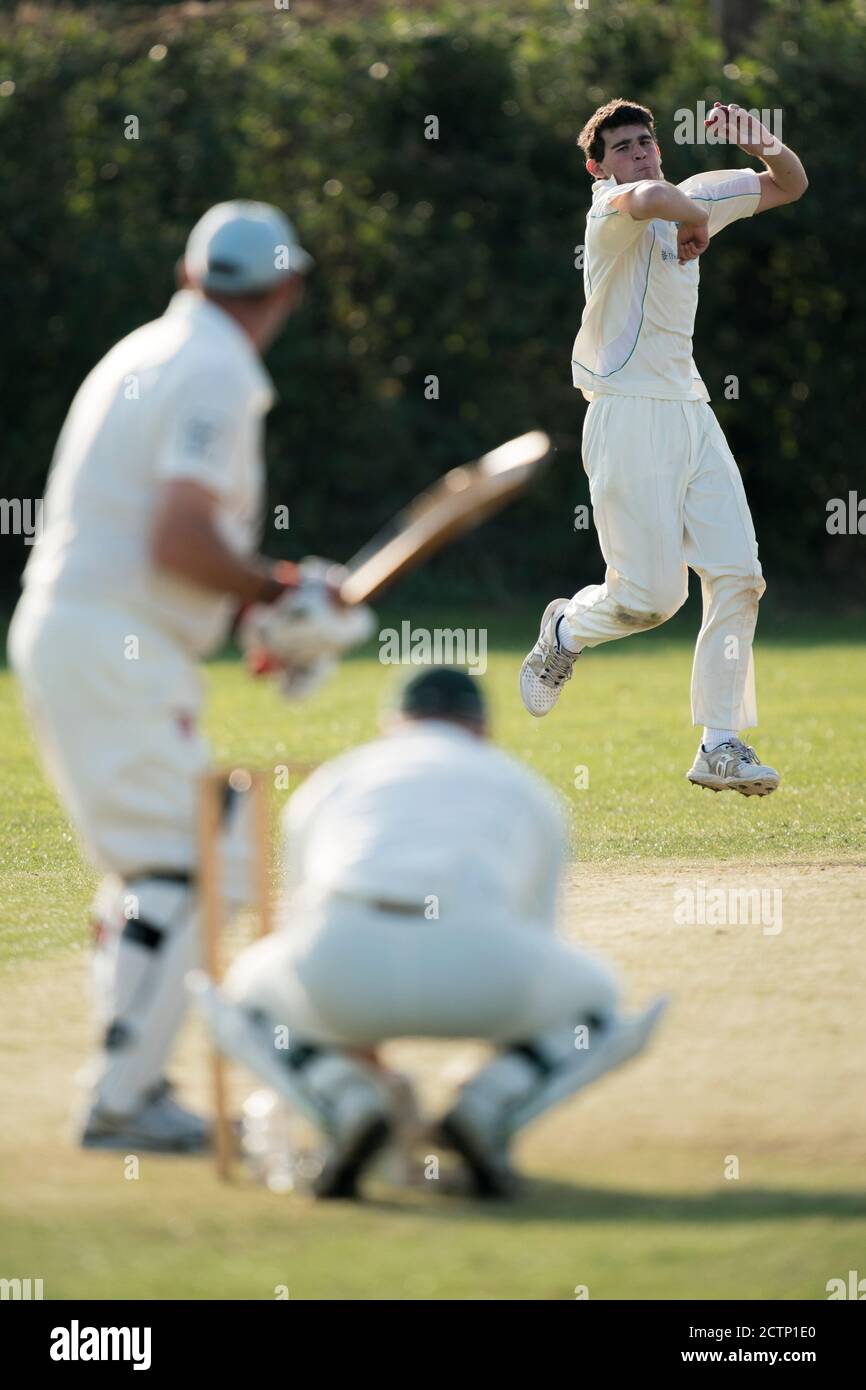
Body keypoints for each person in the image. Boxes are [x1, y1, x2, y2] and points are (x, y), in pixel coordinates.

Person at [9, 200, 371, 1152]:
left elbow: (159, 541)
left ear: (189, 276)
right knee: (195, 858)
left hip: (91, 638)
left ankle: (130, 1085)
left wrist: (257, 607)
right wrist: (280, 587)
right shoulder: (215, 369)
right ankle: (124, 1102)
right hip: (105, 644)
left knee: (166, 865)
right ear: (286, 290)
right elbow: (180, 536)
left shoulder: (148, 351)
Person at [193, 669, 665, 1199]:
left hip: (343, 963)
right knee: (599, 1001)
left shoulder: (335, 781)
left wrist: (354, 1048)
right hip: (484, 969)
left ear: (392, 724)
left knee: (243, 994)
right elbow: (540, 932)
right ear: (482, 727)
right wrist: (503, 1050)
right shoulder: (528, 789)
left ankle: (347, 1098)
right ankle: (487, 1105)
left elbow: (303, 924)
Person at [519, 100, 808, 797]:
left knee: (740, 574)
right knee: (651, 601)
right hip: (625, 416)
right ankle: (566, 629)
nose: (641, 154)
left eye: (646, 141)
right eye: (622, 147)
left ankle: (720, 742)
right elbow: (651, 198)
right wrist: (691, 216)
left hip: (691, 411)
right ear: (598, 168)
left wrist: (761, 140)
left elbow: (790, 185)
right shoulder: (613, 210)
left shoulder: (696, 192)